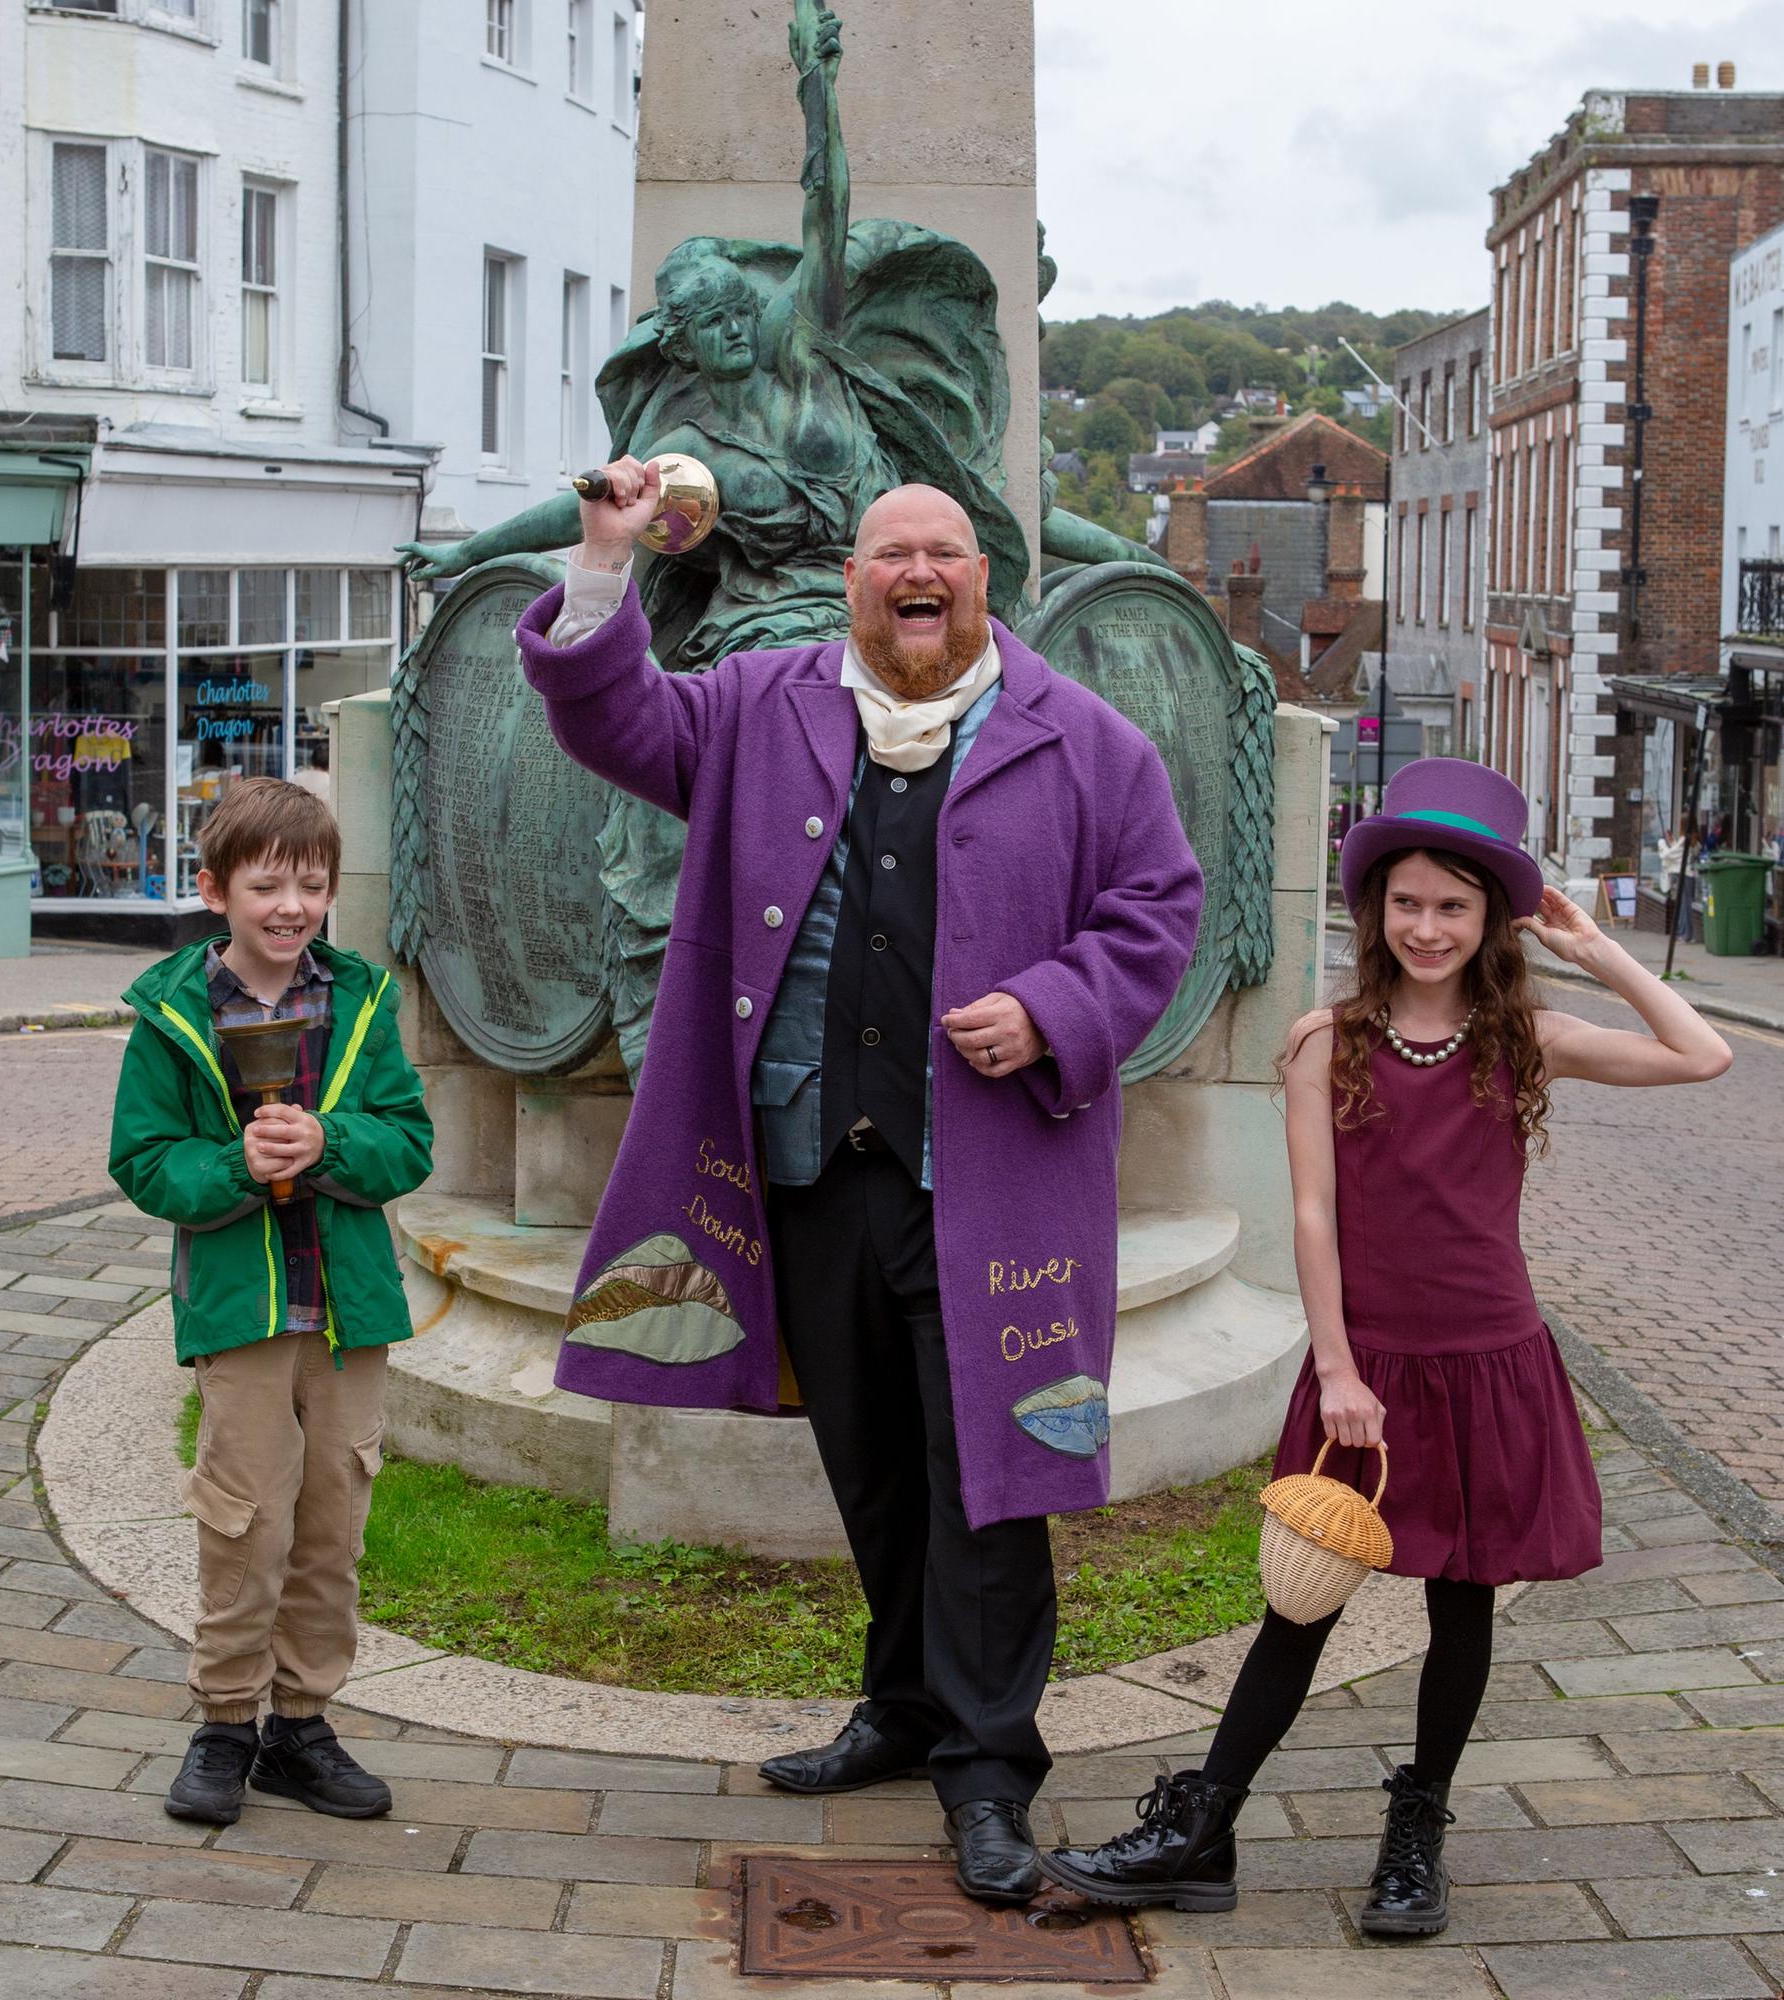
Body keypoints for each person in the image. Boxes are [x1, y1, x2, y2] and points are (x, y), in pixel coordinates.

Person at [513, 466, 1202, 1904]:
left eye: (943, 552)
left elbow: (1158, 909)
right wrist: (601, 558)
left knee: (993, 1481)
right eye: (893, 553)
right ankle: (901, 1707)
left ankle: (992, 1765)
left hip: (992, 1186)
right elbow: (608, 711)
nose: (919, 574)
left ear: (981, 581)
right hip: (814, 1169)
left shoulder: (1088, 743)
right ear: (852, 581)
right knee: (873, 1465)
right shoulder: (758, 707)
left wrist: (1056, 1009)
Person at [1039, 759, 1730, 1937]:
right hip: (1369, 1370)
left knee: (1462, 1607)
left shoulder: (1527, 1038)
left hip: (1488, 1361)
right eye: (1405, 901)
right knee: (1297, 1602)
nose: (1425, 926)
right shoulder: (1328, 1040)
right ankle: (1202, 1822)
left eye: (1453, 906)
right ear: (1373, 910)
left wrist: (1588, 946)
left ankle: (1417, 1827)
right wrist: (1340, 1368)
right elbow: (1310, 1215)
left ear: (1490, 920)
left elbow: (1698, 1052)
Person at [108, 779, 433, 1827]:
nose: (291, 905)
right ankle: (223, 1720)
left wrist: (329, 1144)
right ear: (214, 890)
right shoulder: (172, 1017)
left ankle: (301, 1723)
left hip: (347, 1313)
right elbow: (146, 1161)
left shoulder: (363, 1001)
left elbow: (409, 1141)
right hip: (244, 1315)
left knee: (333, 1522)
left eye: (311, 883)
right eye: (266, 884)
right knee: (244, 1524)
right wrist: (240, 1165)